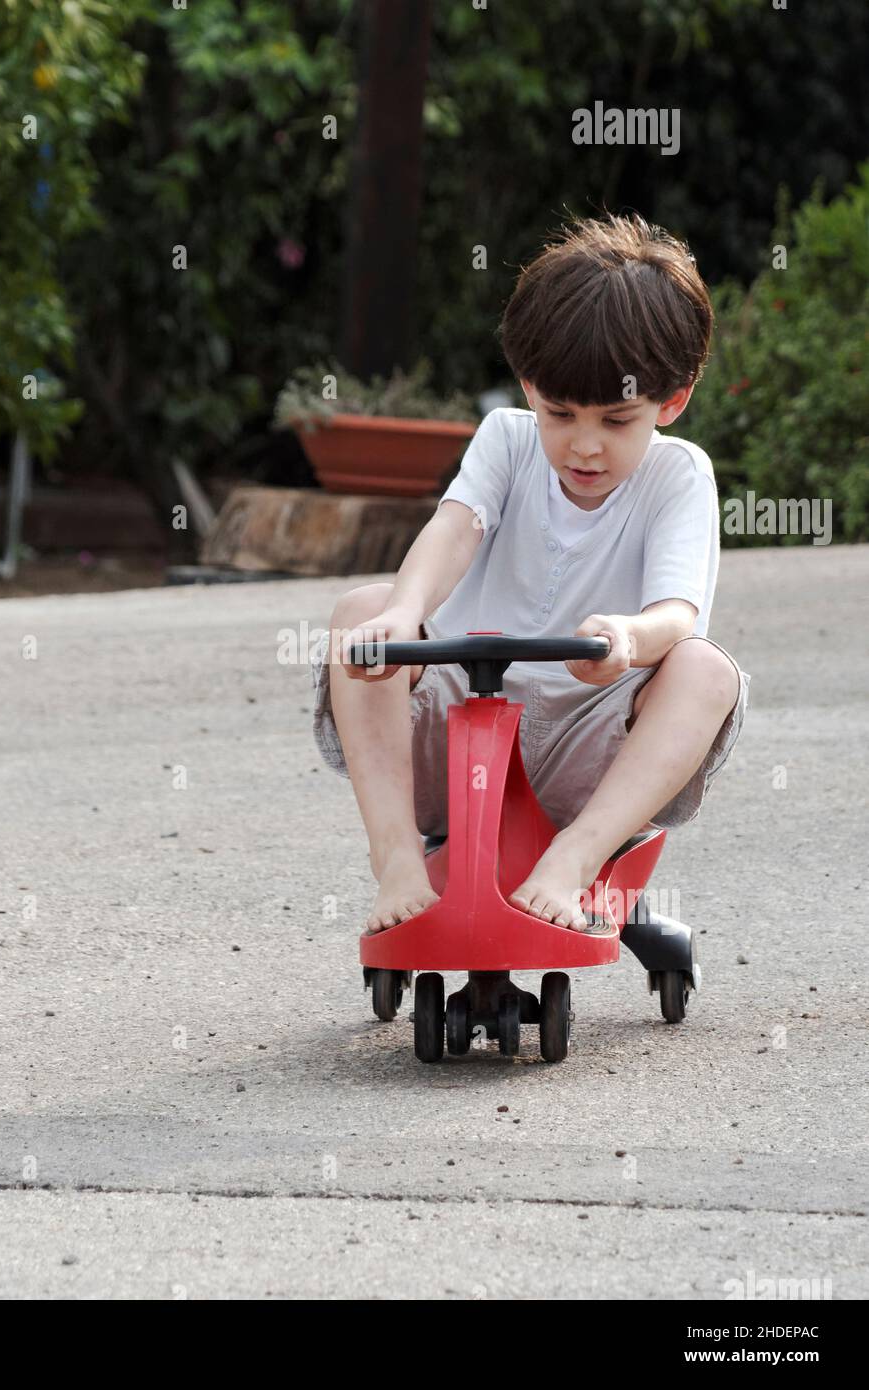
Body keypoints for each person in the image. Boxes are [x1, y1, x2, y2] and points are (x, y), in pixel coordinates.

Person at [309, 213, 750, 935]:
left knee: (705, 668)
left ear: (671, 401)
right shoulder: (506, 442)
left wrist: (630, 638)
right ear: (527, 388)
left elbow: (677, 611)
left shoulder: (678, 476)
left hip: (589, 741)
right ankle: (395, 859)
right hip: (458, 729)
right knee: (365, 606)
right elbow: (455, 528)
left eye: (615, 421)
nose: (582, 445)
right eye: (559, 412)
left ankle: (575, 858)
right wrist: (404, 610)